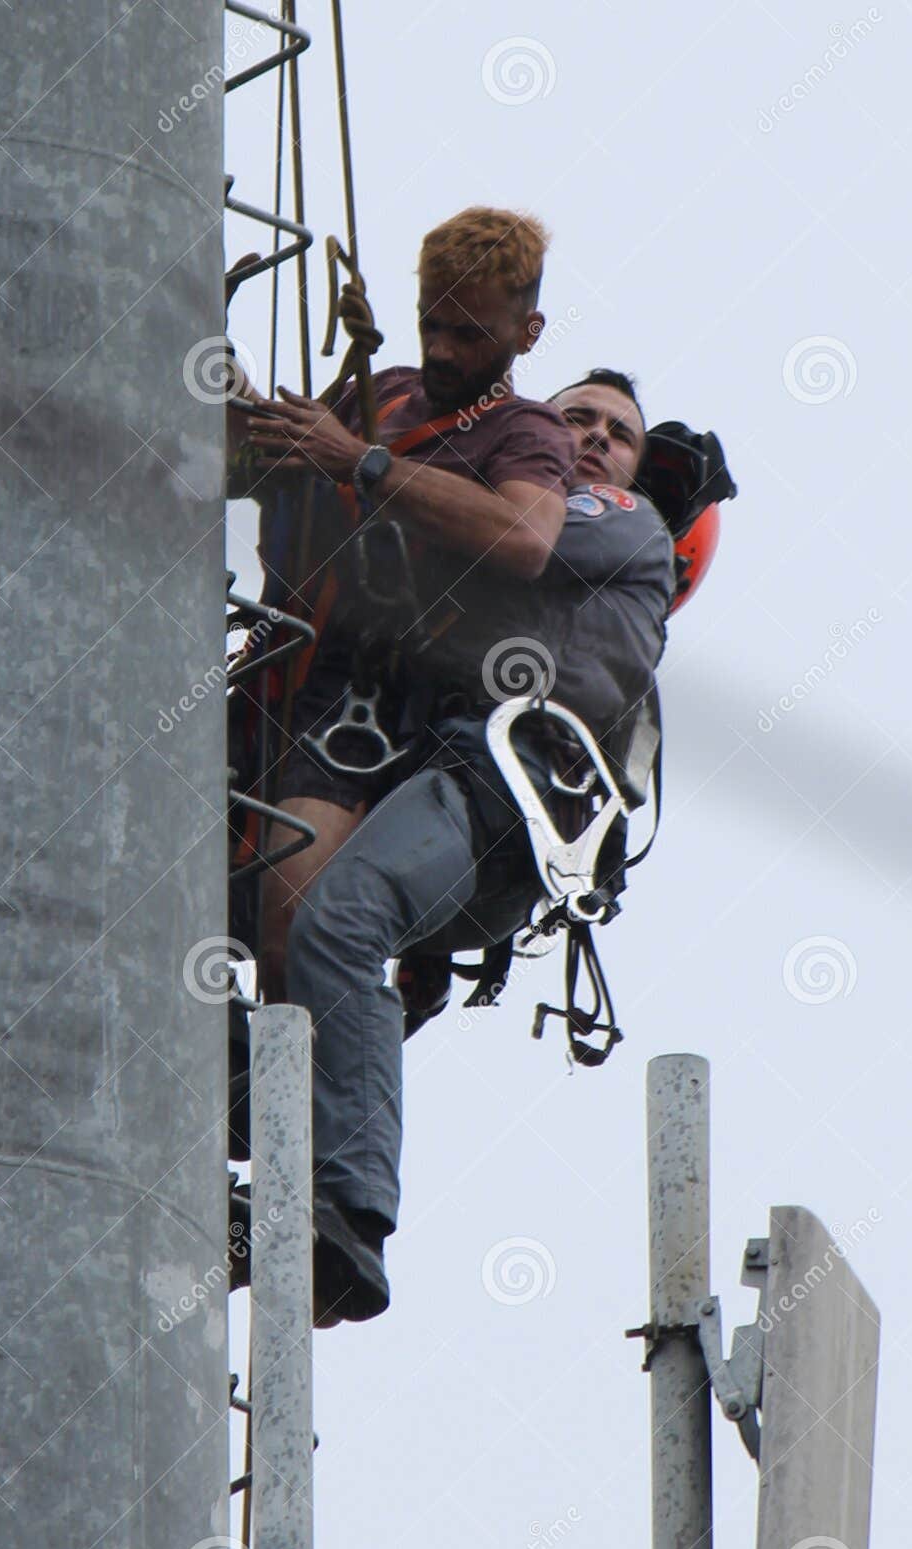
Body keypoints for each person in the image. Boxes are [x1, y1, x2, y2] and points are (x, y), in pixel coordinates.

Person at [231, 212, 677, 1327]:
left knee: (336, 923)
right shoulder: (432, 419)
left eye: (609, 432)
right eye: (574, 417)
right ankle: (257, 1129)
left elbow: (515, 530)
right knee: (288, 928)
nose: (582, 438)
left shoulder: (617, 520)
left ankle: (347, 1209)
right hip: (443, 753)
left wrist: (364, 459)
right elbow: (307, 480)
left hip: (521, 779)